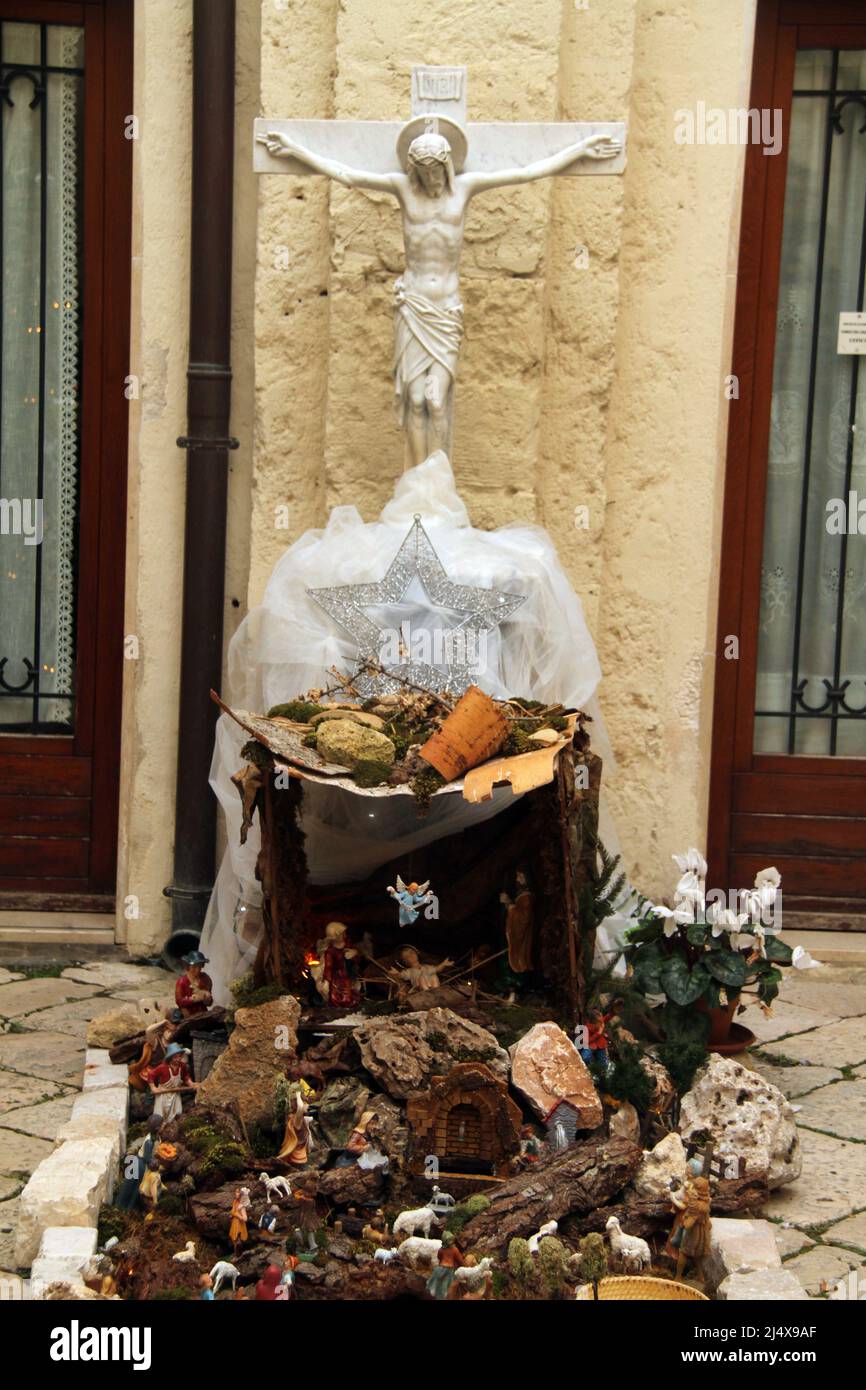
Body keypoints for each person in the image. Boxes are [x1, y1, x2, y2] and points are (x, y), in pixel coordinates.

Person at [257, 124, 621, 467]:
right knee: (415, 401)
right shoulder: (403, 189)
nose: (431, 180)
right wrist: (294, 150)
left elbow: (527, 171)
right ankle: (418, 482)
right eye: (424, 173)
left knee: (435, 399)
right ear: (414, 170)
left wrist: (581, 149)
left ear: (447, 167)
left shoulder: (465, 189)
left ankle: (437, 477)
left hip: (445, 309)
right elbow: (347, 174)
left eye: (436, 171)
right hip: (413, 306)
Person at [146, 1042, 198, 1122]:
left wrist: (191, 1083)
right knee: (160, 1115)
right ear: (170, 1058)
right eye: (175, 1057)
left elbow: (185, 1076)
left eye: (179, 1057)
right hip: (163, 1093)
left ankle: (172, 1129)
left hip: (175, 1093)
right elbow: (151, 1074)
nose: (178, 1059)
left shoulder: (182, 1066)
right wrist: (153, 1087)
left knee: (177, 1112)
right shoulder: (163, 1067)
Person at [175, 950, 213, 1017]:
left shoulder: (205, 979)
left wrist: (207, 999)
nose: (197, 970)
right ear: (188, 966)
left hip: (202, 1012)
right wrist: (192, 999)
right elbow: (179, 1001)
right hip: (187, 1013)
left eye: (200, 966)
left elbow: (209, 1002)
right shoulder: (182, 981)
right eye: (194, 966)